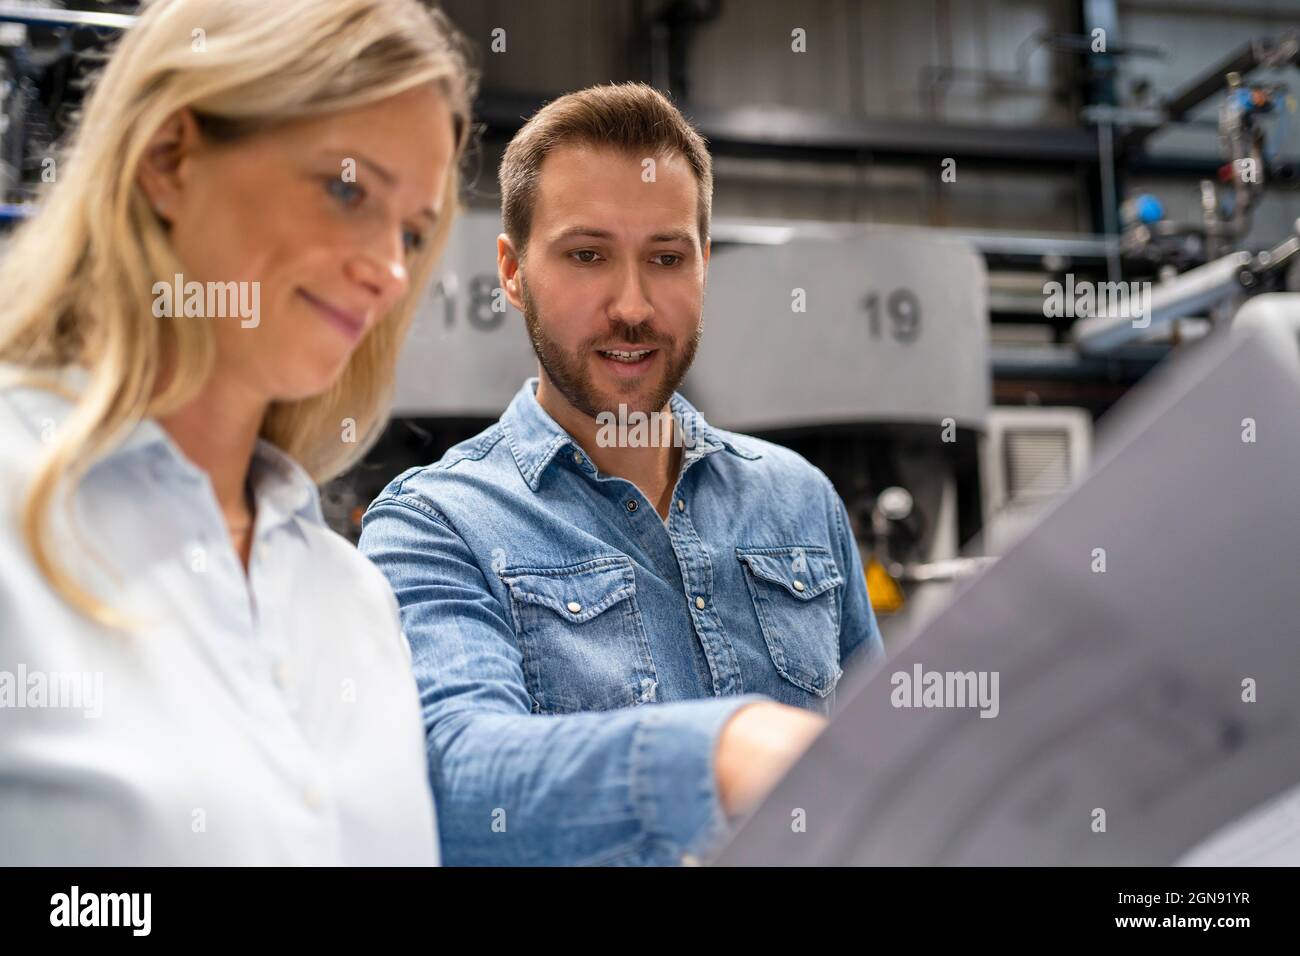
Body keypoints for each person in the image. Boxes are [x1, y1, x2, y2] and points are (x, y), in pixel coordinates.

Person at [359, 82, 885, 866]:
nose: (632, 306)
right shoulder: (437, 524)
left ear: (704, 266)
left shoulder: (799, 499)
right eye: (587, 255)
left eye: (666, 259)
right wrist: (718, 752)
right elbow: (460, 783)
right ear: (512, 271)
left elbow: (887, 771)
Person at [0, 0, 474, 865]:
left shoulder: (352, 599)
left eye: (412, 231)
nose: (390, 269)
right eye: (347, 190)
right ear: (169, 158)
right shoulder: (16, 509)